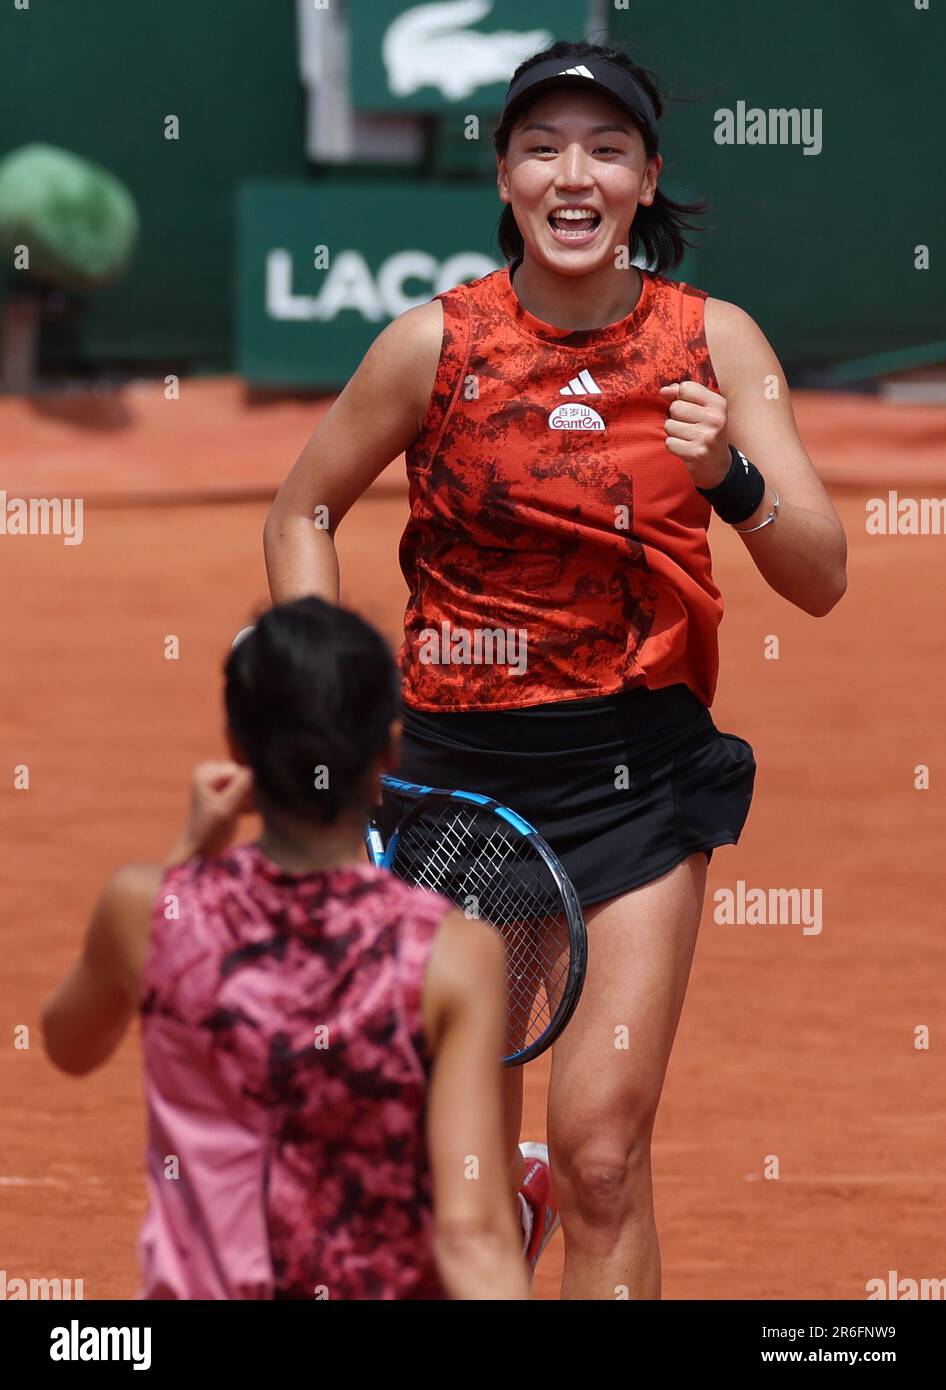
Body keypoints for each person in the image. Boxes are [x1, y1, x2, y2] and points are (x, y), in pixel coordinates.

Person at [262, 40, 847, 1299]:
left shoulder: (714, 343)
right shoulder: (433, 345)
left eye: (605, 149)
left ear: (647, 178)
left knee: (598, 1155)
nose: (572, 175)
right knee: (459, 1180)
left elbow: (821, 574)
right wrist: (320, 705)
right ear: (505, 175)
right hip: (455, 795)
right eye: (542, 148)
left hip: (638, 787)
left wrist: (728, 481)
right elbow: (302, 510)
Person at [42, 597, 529, 1300]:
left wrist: (186, 859)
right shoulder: (454, 954)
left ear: (237, 749)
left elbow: (68, 1043)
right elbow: (472, 1236)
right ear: (388, 753)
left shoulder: (146, 910)